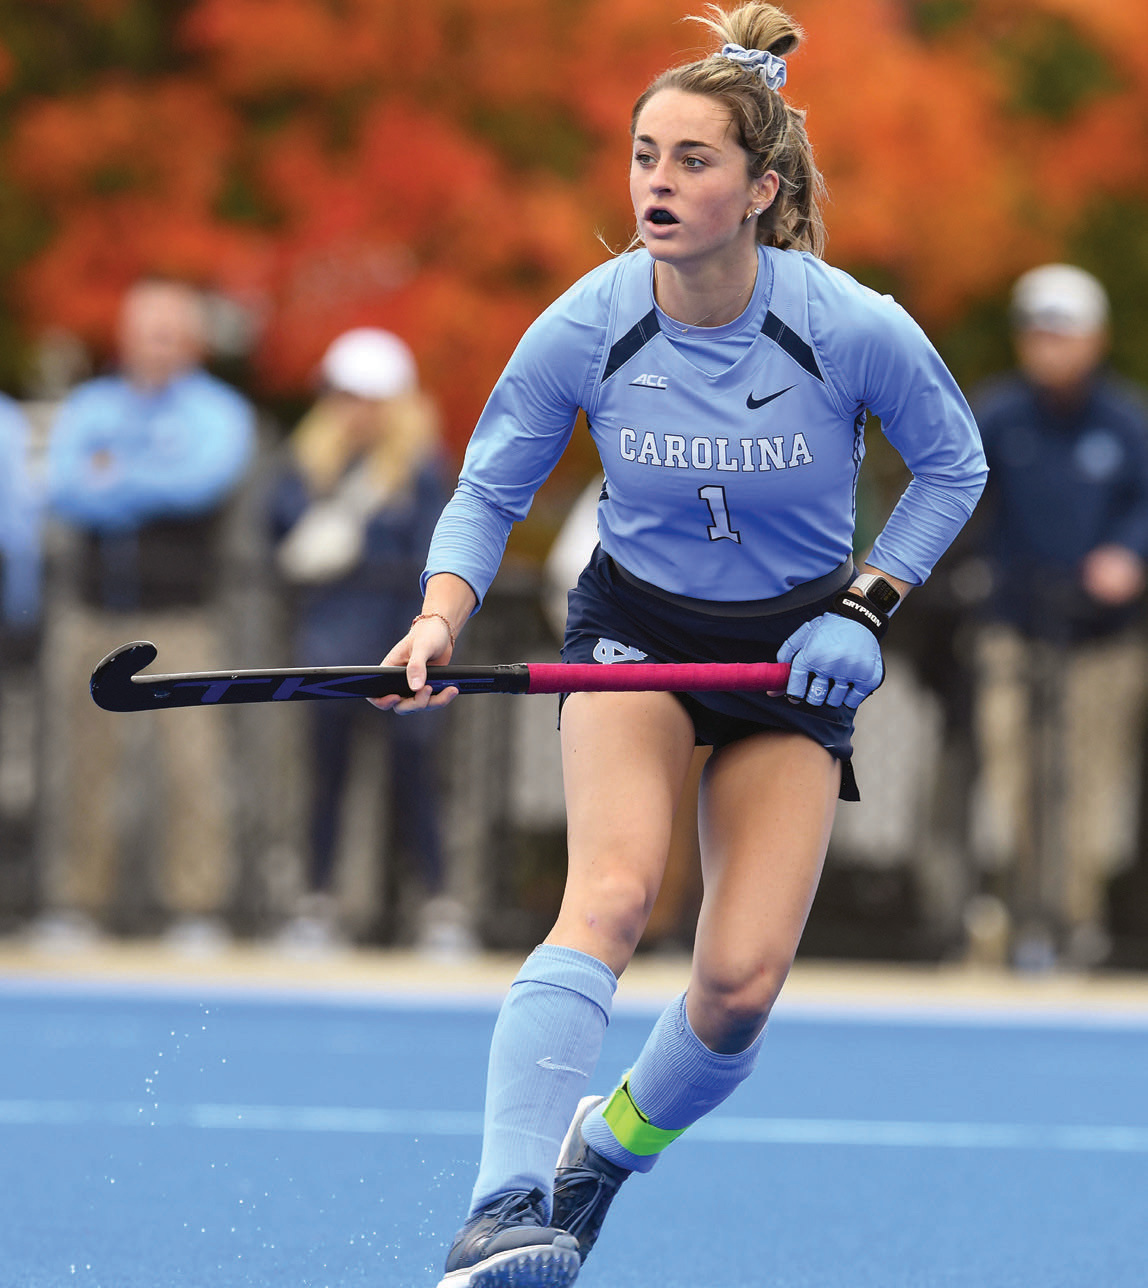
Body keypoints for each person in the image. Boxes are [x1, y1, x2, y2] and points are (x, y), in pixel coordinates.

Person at [374, 6, 987, 1285]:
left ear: (761, 188)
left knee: (737, 991)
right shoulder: (589, 322)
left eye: (692, 160)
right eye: (645, 154)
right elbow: (489, 487)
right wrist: (438, 617)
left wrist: (865, 606)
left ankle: (603, 1152)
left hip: (790, 656)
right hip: (637, 630)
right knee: (606, 896)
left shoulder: (847, 321)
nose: (657, 181)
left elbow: (950, 463)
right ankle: (500, 1206)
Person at [38, 278, 255, 948]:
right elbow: (66, 487)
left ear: (190, 343)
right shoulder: (92, 404)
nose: (153, 346)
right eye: (143, 331)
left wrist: (117, 474)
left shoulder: (218, 412)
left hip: (179, 619)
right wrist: (142, 475)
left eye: (167, 332)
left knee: (189, 764)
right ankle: (77, 904)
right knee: (82, 762)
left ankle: (195, 907)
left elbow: (200, 481)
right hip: (93, 611)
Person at [968, 263, 1148, 970]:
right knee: (1014, 771)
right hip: (1015, 625)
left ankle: (1077, 919)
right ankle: (1023, 912)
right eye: (1037, 332)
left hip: (1100, 639)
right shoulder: (999, 415)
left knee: (1087, 779)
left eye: (1063, 332)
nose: (1048, 346)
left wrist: (1127, 557)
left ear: (1094, 339)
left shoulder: (1126, 422)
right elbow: (959, 496)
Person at [269, 327, 465, 954]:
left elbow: (442, 559)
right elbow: (278, 541)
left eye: (373, 398)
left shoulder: (422, 472)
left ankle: (435, 905)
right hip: (330, 647)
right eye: (350, 396)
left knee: (416, 773)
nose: (360, 411)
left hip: (403, 649)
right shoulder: (307, 465)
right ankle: (318, 901)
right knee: (327, 776)